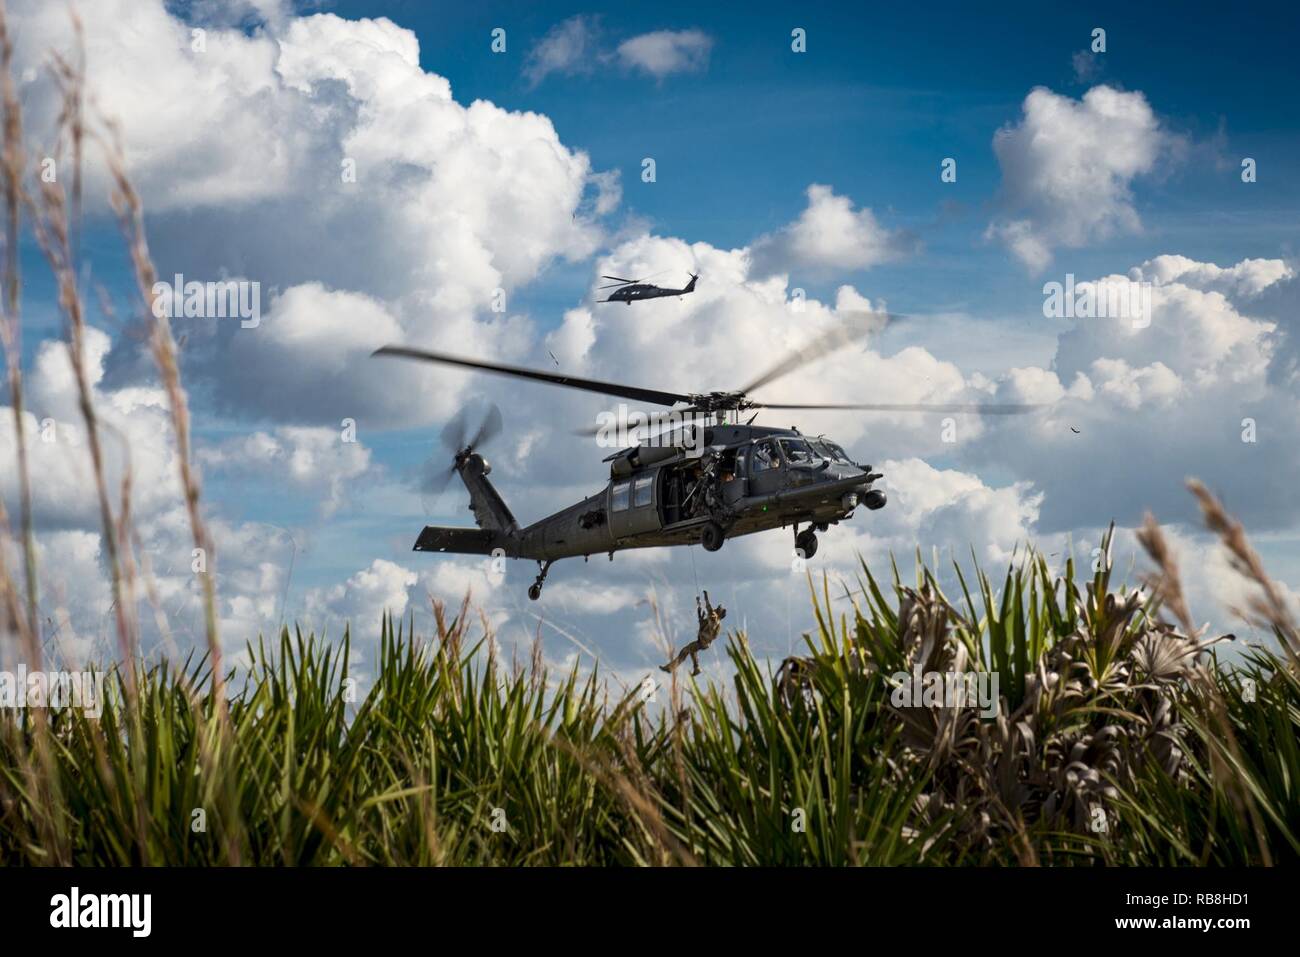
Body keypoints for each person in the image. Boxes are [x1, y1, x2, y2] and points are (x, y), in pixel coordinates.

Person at [660, 590, 727, 676]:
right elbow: (703, 623)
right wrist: (699, 607)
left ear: (719, 614)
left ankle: (670, 668)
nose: (716, 609)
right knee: (691, 651)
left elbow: (709, 610)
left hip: (703, 643)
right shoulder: (713, 621)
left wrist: (706, 598)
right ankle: (696, 668)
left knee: (685, 651)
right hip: (702, 642)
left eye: (718, 609)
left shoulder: (714, 619)